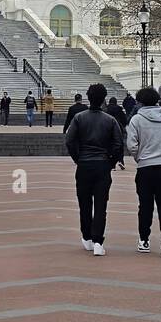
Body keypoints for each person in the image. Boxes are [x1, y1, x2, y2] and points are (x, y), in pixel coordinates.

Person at [65, 82, 124, 256]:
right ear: (103, 99)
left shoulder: (79, 118)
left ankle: (87, 236)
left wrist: (78, 158)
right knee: (100, 204)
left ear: (88, 97)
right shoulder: (110, 120)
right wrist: (111, 162)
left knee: (84, 203)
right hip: (102, 165)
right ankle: (98, 241)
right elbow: (118, 143)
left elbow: (69, 140)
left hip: (84, 164)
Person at [126, 86, 161, 256]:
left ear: (140, 102)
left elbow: (132, 145)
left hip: (145, 167)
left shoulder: (136, 120)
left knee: (145, 205)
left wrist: (139, 157)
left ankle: (144, 240)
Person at [105, 95, 128, 169]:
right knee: (120, 145)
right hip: (118, 127)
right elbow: (124, 120)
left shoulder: (106, 109)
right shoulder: (119, 109)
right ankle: (121, 161)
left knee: (109, 145)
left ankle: (112, 164)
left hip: (108, 128)